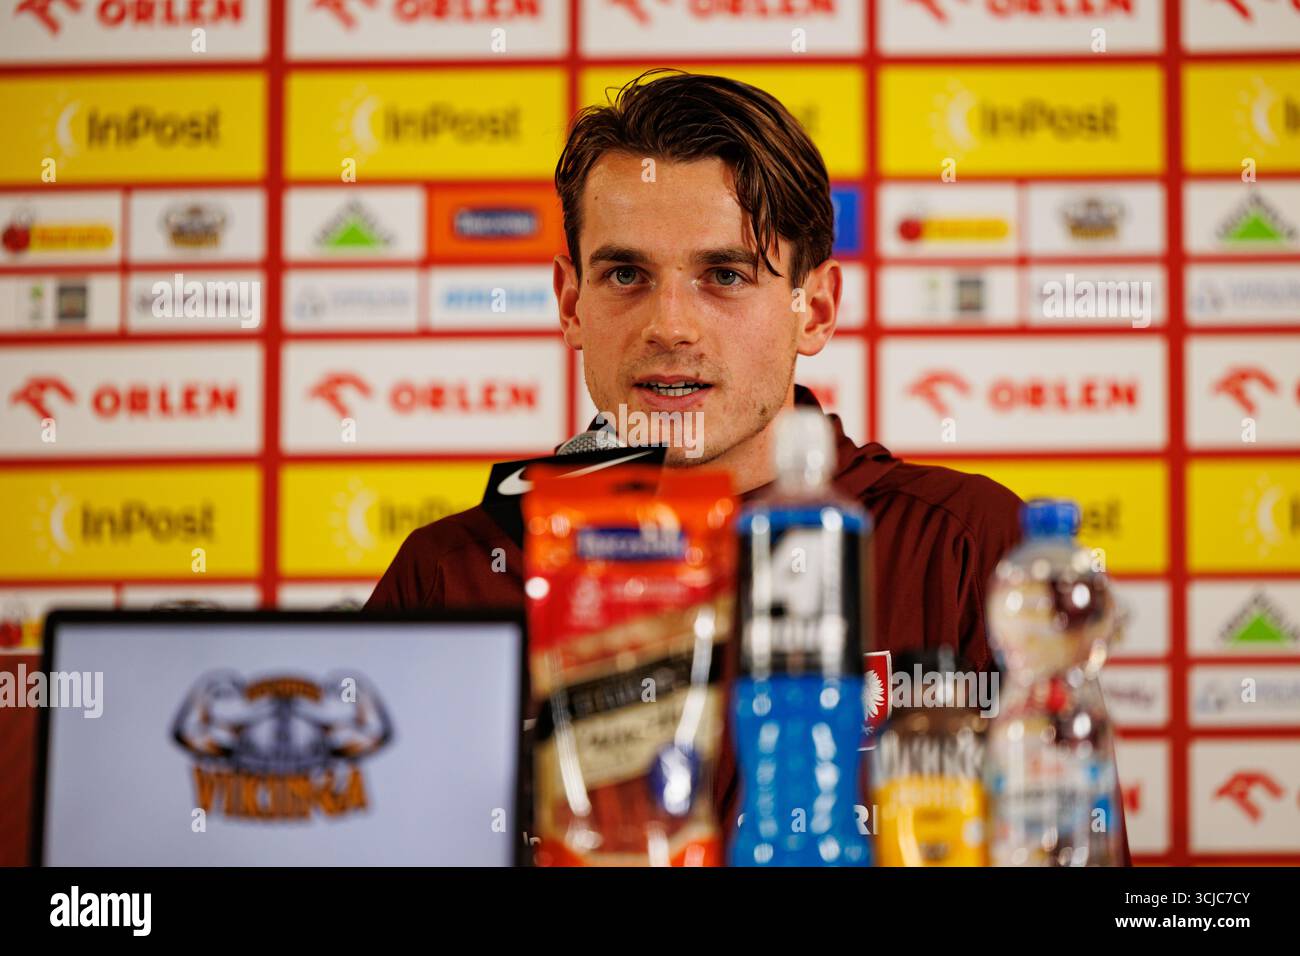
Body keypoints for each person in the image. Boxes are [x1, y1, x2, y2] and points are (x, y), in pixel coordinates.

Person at [365, 67, 1131, 865]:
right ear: (570, 303)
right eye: (626, 274)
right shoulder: (453, 577)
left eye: (724, 276)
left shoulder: (971, 547)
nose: (670, 326)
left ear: (817, 309)